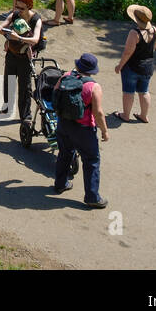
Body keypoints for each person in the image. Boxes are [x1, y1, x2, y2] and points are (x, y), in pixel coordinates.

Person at [52, 53, 109, 208]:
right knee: (91, 161)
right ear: (92, 70)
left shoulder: (65, 77)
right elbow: (98, 113)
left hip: (64, 124)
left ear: (78, 66)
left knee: (64, 154)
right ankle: (92, 196)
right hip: (84, 129)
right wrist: (104, 131)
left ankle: (60, 184)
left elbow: (55, 94)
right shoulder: (94, 87)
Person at [0, 0, 44, 120]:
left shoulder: (36, 19)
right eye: (16, 6)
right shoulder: (16, 14)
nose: (18, 10)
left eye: (21, 8)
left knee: (24, 88)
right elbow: (5, 22)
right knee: (8, 83)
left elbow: (35, 40)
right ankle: (6, 110)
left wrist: (18, 38)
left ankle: (25, 117)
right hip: (12, 54)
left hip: (26, 58)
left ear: (29, 6)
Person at [115, 4, 156, 122]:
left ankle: (125, 115)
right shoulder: (155, 30)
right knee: (144, 91)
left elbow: (127, 53)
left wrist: (120, 66)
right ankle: (144, 115)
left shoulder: (134, 33)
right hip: (148, 67)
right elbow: (153, 47)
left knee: (128, 92)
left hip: (132, 67)